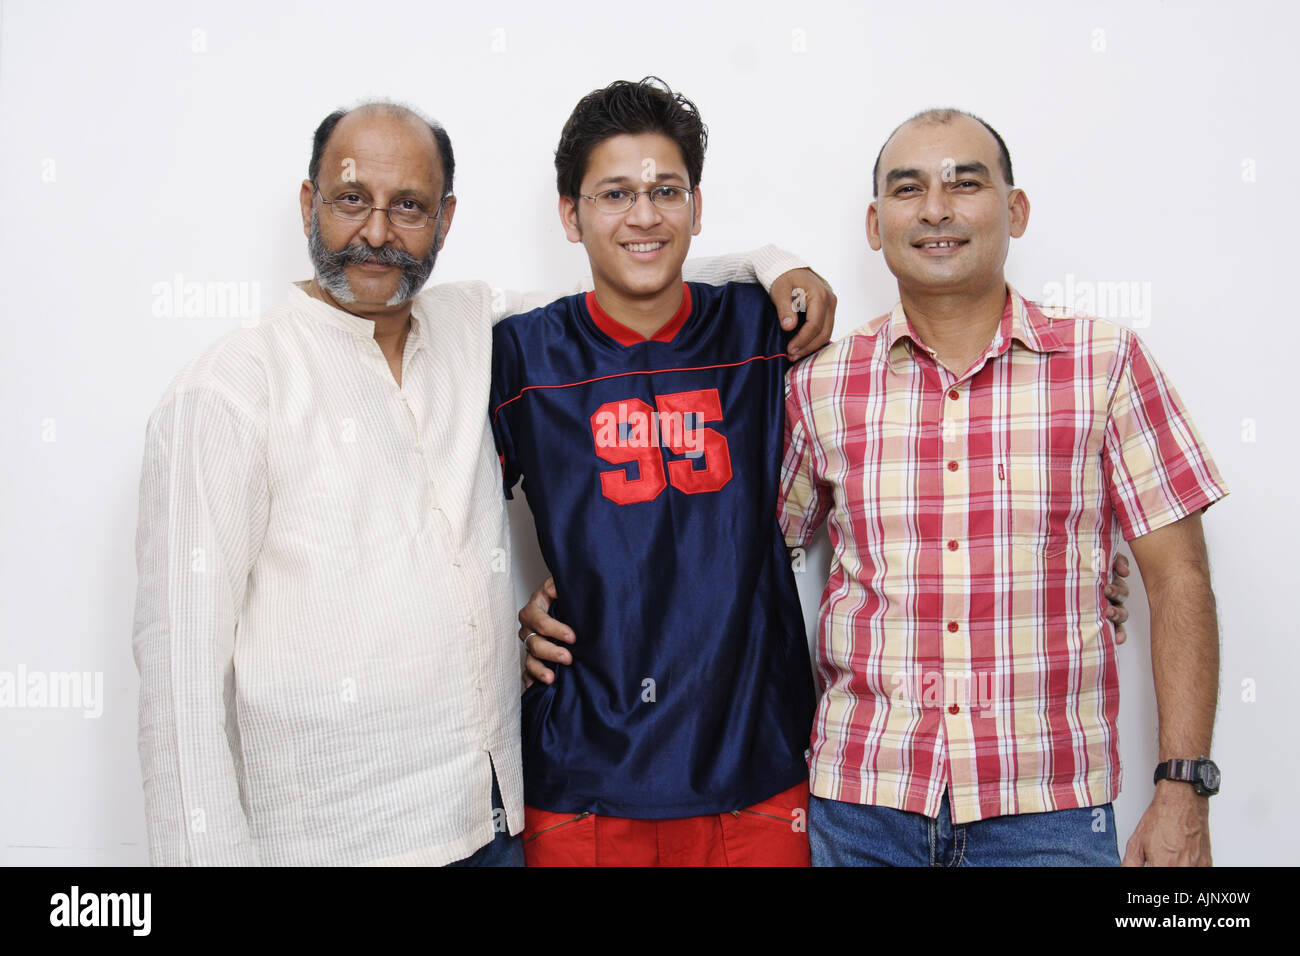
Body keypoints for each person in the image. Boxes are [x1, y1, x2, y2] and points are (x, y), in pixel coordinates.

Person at [131, 99, 833, 867]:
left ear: (445, 218)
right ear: (309, 203)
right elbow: (178, 686)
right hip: (328, 840)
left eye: (408, 207)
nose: (376, 232)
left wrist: (773, 263)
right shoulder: (230, 391)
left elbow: (637, 279)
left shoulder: (470, 331)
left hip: (487, 820)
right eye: (350, 199)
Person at [778, 109, 1228, 866]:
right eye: (908, 188)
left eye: (965, 182)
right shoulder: (819, 384)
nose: (935, 209)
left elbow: (1179, 579)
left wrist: (1184, 788)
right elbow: (744, 558)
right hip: (862, 805)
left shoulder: (1105, 364)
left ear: (1014, 210)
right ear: (874, 221)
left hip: (1045, 810)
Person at [491, 78, 830, 866]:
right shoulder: (522, 355)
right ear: (571, 216)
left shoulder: (763, 329)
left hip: (755, 768)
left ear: (697, 207)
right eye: (614, 194)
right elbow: (432, 527)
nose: (644, 216)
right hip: (581, 781)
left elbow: (888, 465)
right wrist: (494, 634)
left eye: (664, 191)